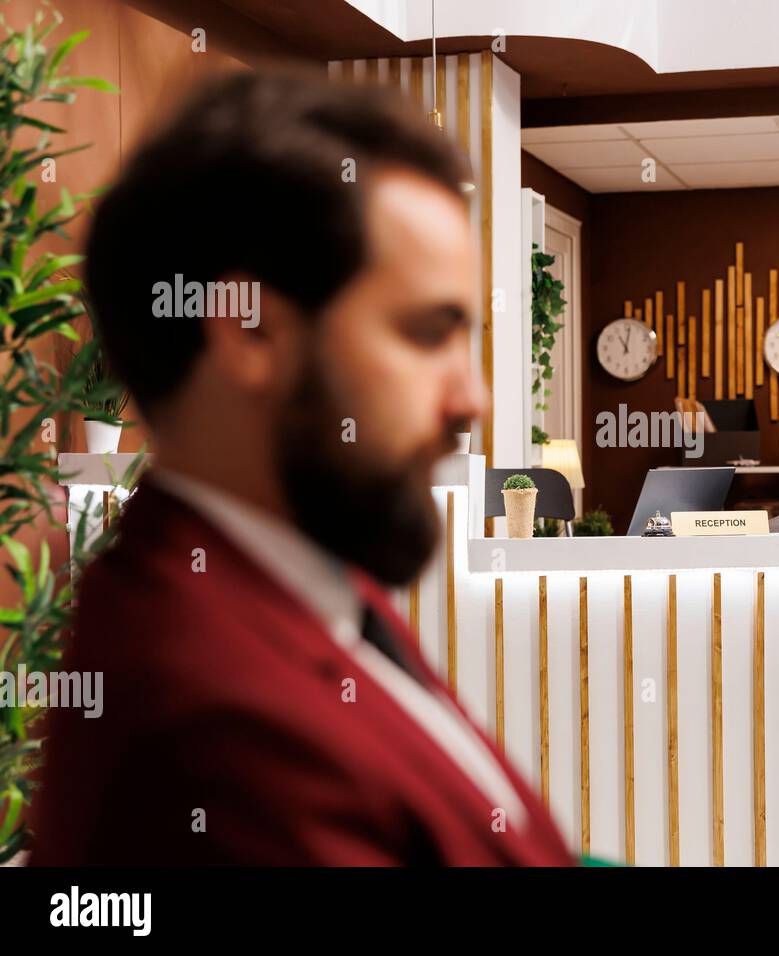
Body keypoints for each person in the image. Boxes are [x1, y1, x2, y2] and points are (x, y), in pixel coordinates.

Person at [33, 69, 570, 865]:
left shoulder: (303, 584)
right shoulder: (212, 725)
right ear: (250, 333)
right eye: (428, 334)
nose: (475, 400)